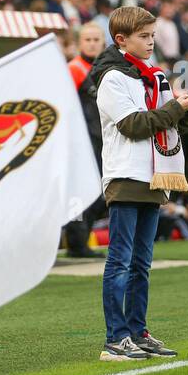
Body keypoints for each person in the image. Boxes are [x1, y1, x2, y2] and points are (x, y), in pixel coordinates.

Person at [87, 5, 188, 361]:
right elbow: (135, 125)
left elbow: (173, 126)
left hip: (155, 177)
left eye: (153, 35)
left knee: (142, 263)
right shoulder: (112, 78)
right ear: (122, 40)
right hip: (127, 176)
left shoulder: (156, 78)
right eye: (144, 37)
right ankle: (115, 337)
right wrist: (176, 109)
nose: (151, 42)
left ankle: (138, 331)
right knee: (120, 261)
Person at [63, 21, 106, 258]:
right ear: (80, 43)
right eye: (87, 40)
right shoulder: (75, 68)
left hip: (102, 139)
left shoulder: (104, 68)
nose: (91, 43)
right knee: (83, 192)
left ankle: (80, 242)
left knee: (100, 193)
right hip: (82, 141)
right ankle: (77, 243)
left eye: (95, 39)